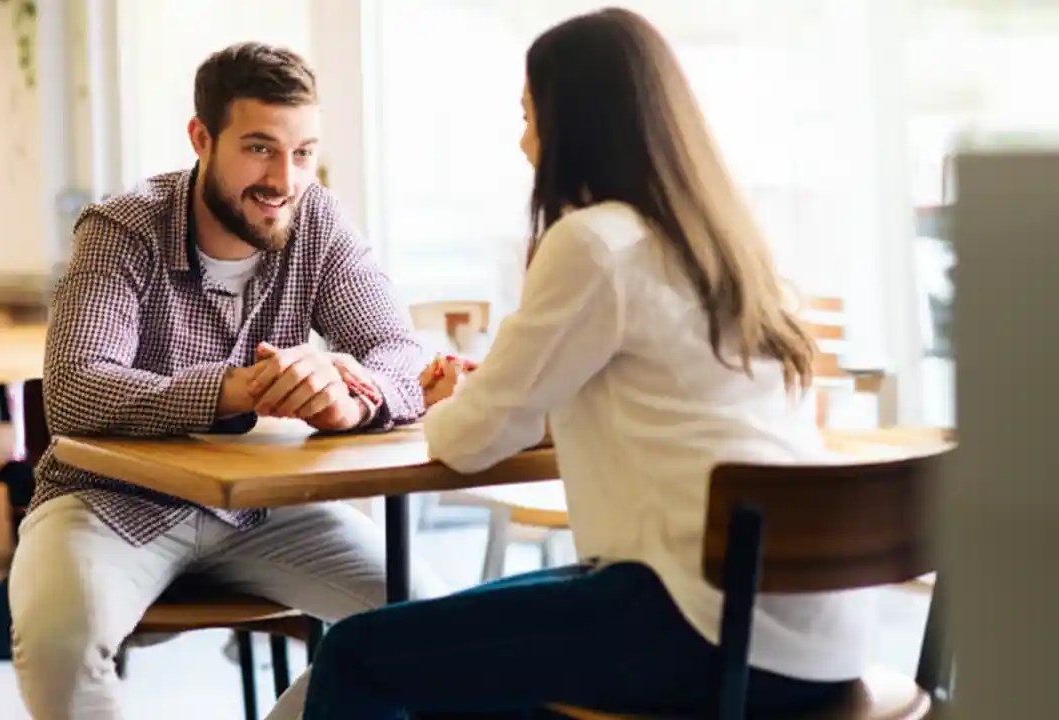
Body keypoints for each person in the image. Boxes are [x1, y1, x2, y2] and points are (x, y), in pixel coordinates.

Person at [302, 8, 875, 719]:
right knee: (458, 654)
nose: (522, 142)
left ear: (576, 122)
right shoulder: (724, 247)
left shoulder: (595, 243)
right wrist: (518, 402)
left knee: (358, 653)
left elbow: (470, 440)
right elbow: (644, 401)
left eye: (529, 115)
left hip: (703, 626)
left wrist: (453, 399)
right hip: (817, 637)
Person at [7, 42, 443, 720]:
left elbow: (395, 352)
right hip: (109, 502)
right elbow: (74, 390)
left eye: (303, 152)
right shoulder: (123, 228)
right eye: (261, 148)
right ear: (201, 138)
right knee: (59, 645)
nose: (286, 179)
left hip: (264, 509)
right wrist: (237, 389)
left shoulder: (318, 221)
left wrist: (349, 404)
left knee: (436, 630)